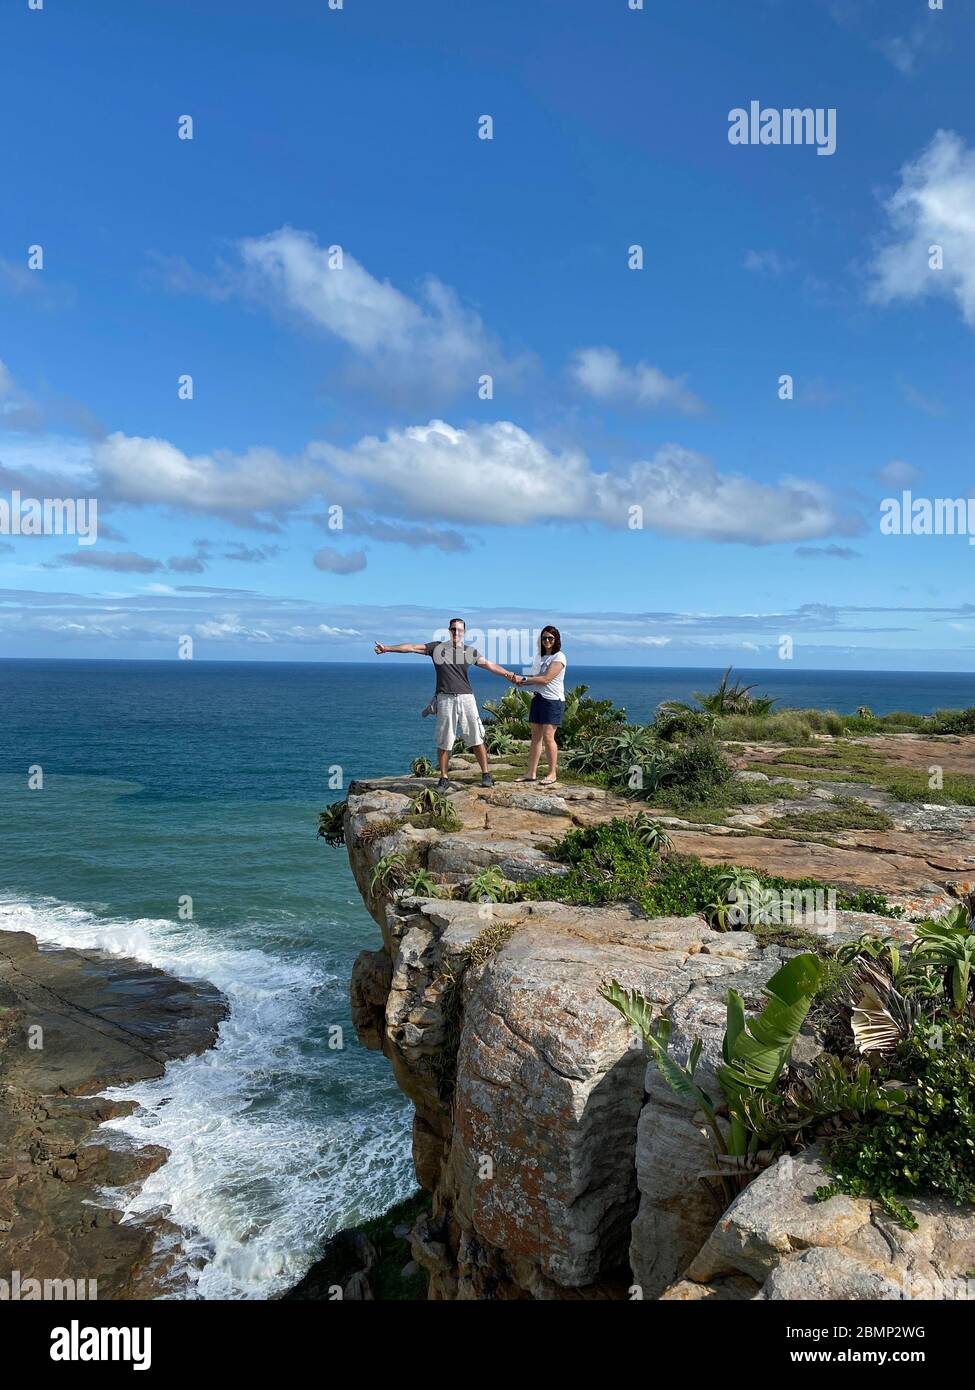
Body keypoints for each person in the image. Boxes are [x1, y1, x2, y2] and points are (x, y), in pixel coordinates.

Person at [374, 618, 520, 789]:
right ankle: (444, 778)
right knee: (444, 740)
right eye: (453, 629)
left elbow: (489, 665)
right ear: (449, 630)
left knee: (476, 738)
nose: (456, 632)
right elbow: (412, 647)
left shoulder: (469, 652)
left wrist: (509, 675)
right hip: (445, 699)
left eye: (459, 630)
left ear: (464, 632)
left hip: (467, 698)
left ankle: (486, 774)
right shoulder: (437, 648)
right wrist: (387, 649)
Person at [514, 625, 566, 784]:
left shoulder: (559, 657)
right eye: (544, 638)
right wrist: (521, 682)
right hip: (538, 699)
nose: (547, 641)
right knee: (536, 736)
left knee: (549, 737)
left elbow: (546, 679)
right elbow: (535, 678)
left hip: (552, 701)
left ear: (556, 639)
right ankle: (531, 773)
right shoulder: (540, 657)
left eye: (550, 638)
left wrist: (524, 679)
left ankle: (552, 773)